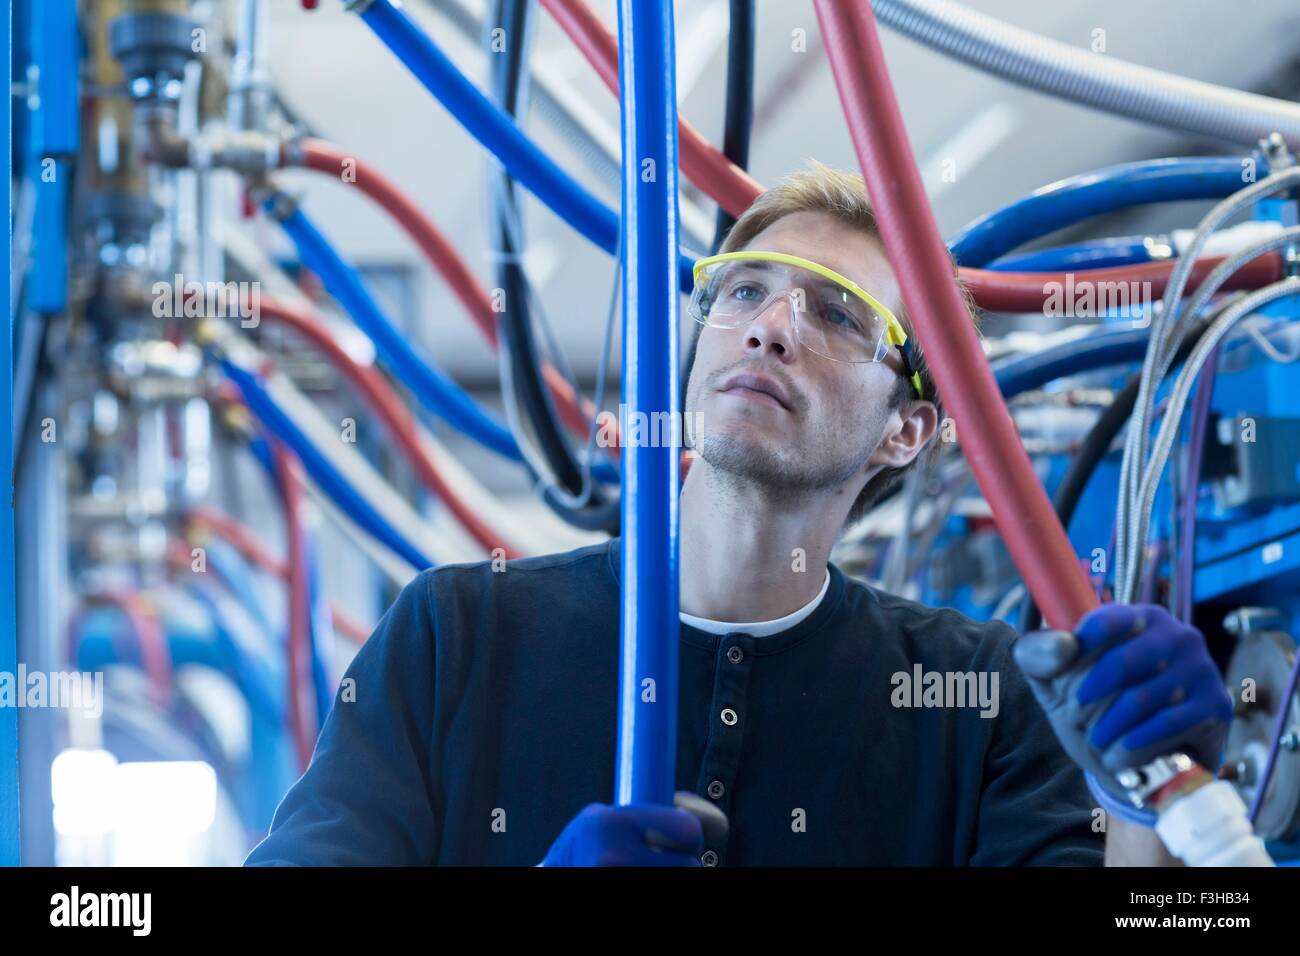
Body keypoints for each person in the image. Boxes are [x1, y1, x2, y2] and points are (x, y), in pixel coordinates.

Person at [245, 161, 1229, 866]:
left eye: (838, 314)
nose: (768, 325)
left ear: (906, 430)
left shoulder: (979, 698)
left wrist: (1143, 795)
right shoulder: (454, 637)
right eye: (744, 290)